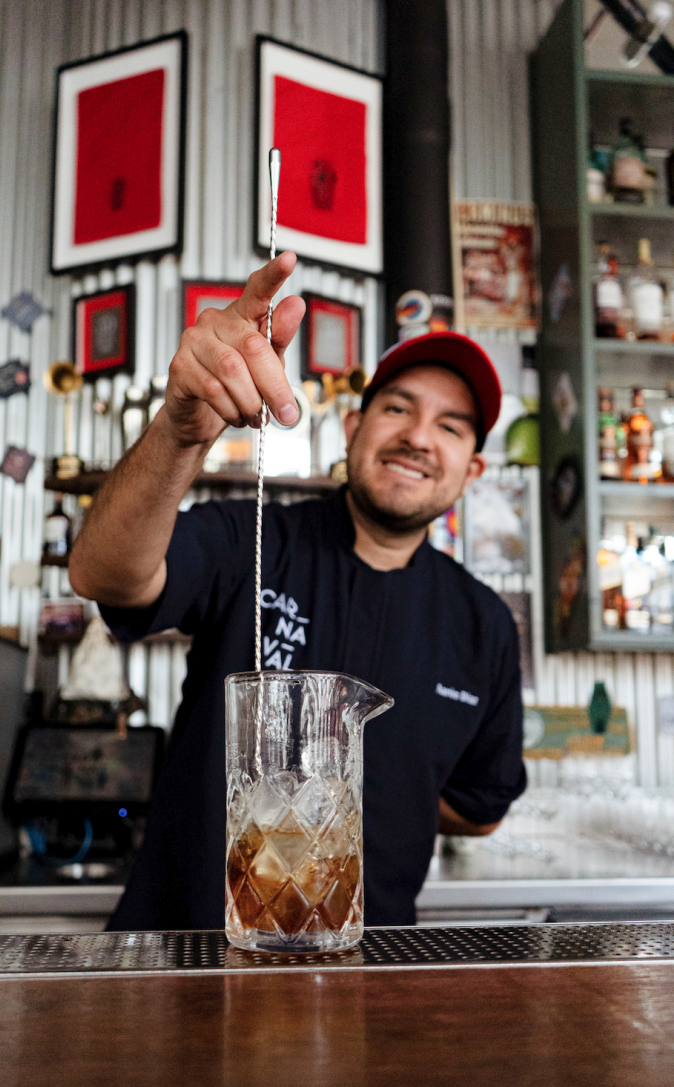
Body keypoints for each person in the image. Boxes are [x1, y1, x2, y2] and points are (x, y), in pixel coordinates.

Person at [69, 251, 527, 930]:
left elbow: (483, 807)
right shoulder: (254, 535)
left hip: (368, 972)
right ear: (353, 428)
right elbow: (103, 575)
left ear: (472, 470)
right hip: (182, 953)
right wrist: (178, 431)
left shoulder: (482, 622)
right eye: (397, 407)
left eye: (450, 426)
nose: (417, 437)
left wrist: (379, 786)